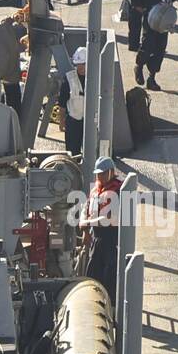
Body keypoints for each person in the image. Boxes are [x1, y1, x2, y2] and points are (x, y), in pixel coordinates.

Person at [128, 0, 176, 91]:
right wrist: (145, 12)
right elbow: (134, 0)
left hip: (163, 22)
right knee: (147, 48)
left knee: (160, 50)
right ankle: (139, 66)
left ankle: (152, 78)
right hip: (150, 22)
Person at [79, 156, 123, 302]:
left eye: (102, 173)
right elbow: (86, 207)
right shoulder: (96, 189)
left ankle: (111, 304)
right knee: (92, 271)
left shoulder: (118, 191)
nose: (99, 176)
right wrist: (85, 229)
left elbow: (110, 218)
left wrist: (88, 223)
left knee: (109, 272)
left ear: (111, 172)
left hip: (111, 239)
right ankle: (93, 300)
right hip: (96, 238)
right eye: (98, 173)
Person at [58, 47, 87, 158]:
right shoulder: (69, 78)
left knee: (91, 153)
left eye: (83, 64)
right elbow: (62, 103)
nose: (80, 67)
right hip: (73, 121)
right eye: (78, 64)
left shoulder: (96, 77)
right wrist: (61, 121)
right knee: (72, 154)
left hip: (90, 122)